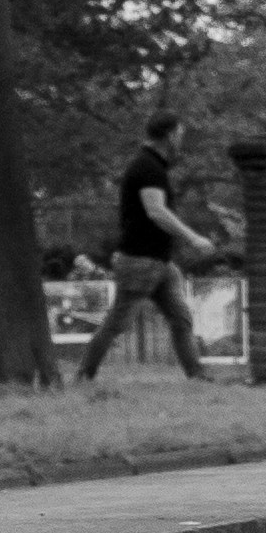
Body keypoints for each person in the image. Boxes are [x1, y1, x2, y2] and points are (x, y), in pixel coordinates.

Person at [92, 114, 225, 383]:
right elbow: (156, 211)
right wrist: (193, 238)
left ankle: (197, 376)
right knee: (117, 323)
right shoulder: (147, 168)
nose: (181, 139)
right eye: (180, 133)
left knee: (181, 319)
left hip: (160, 262)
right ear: (170, 134)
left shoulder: (154, 166)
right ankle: (84, 375)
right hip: (139, 261)